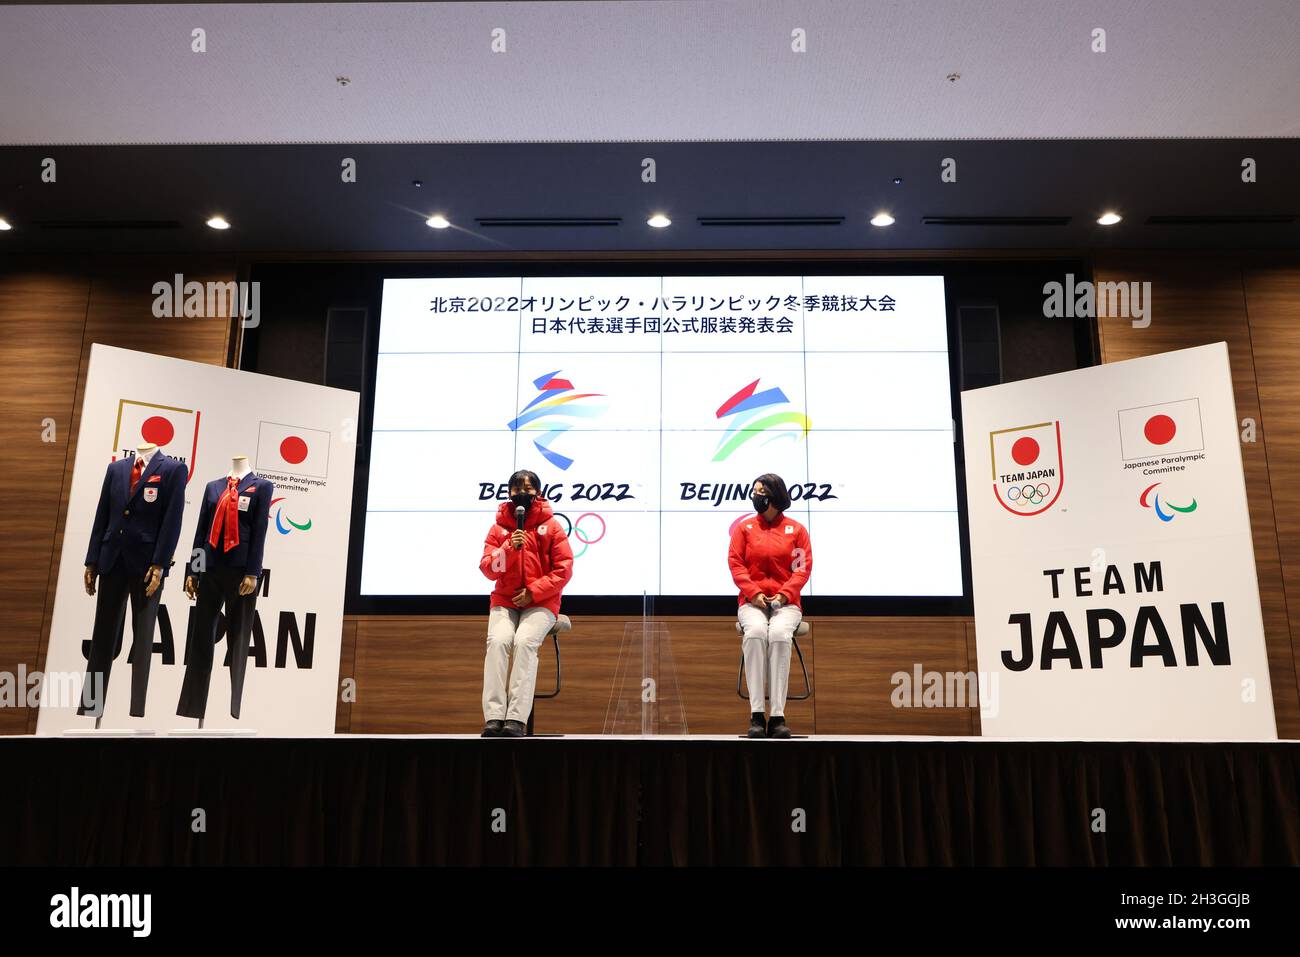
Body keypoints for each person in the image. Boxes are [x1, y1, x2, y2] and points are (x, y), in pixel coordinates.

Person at [478, 469, 574, 737]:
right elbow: (488, 569)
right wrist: (508, 547)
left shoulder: (551, 526)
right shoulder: (499, 529)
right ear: (509, 493)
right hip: (505, 601)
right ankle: (494, 717)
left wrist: (534, 591)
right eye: (517, 489)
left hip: (541, 602)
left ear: (538, 493)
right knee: (498, 642)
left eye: (528, 489)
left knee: (523, 642)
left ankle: (516, 719)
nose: (523, 493)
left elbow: (563, 570)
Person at [727, 473, 813, 738]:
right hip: (752, 603)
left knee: (777, 635)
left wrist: (784, 595)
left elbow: (802, 569)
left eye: (760, 492)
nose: (755, 497)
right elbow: (736, 563)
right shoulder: (745, 529)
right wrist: (753, 593)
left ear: (774, 496)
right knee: (754, 634)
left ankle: (777, 716)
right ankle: (756, 716)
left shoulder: (796, 530)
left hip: (786, 604)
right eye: (754, 491)